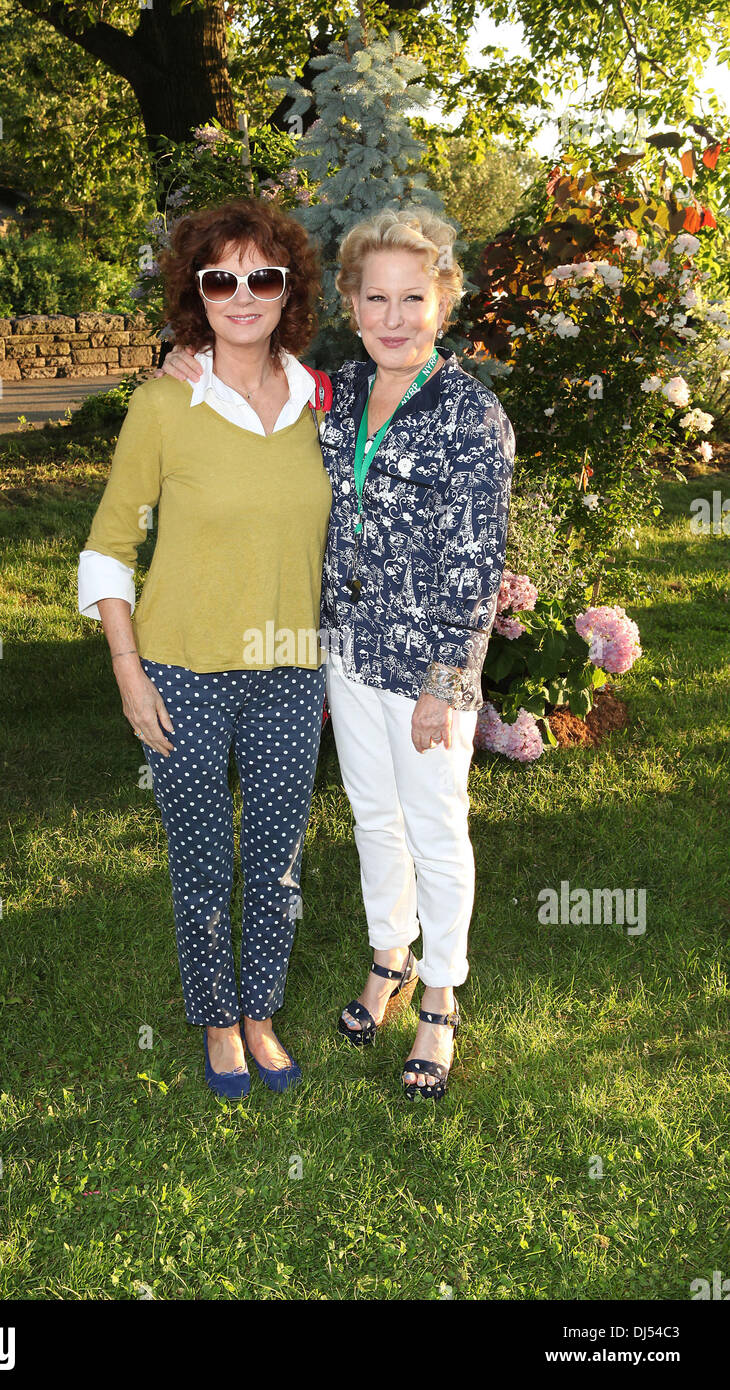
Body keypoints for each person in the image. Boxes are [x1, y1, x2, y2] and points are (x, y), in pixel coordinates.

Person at [161, 205, 515, 1101]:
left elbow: (476, 566)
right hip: (346, 659)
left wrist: (444, 687)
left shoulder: (472, 413)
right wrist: (187, 359)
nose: (394, 317)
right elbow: (249, 381)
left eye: (413, 298)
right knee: (371, 818)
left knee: (436, 828)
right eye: (375, 298)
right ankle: (387, 959)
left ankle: (440, 996)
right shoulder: (337, 391)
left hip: (428, 671)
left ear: (443, 304)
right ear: (352, 306)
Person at [77, 197, 332, 1097]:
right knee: (201, 862)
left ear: (288, 288)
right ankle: (216, 1019)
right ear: (197, 292)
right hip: (179, 670)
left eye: (262, 276)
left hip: (292, 676)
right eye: (220, 277)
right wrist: (126, 672)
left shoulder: (319, 401)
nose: (241, 295)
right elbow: (110, 544)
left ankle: (259, 1009)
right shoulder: (163, 402)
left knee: (274, 861)